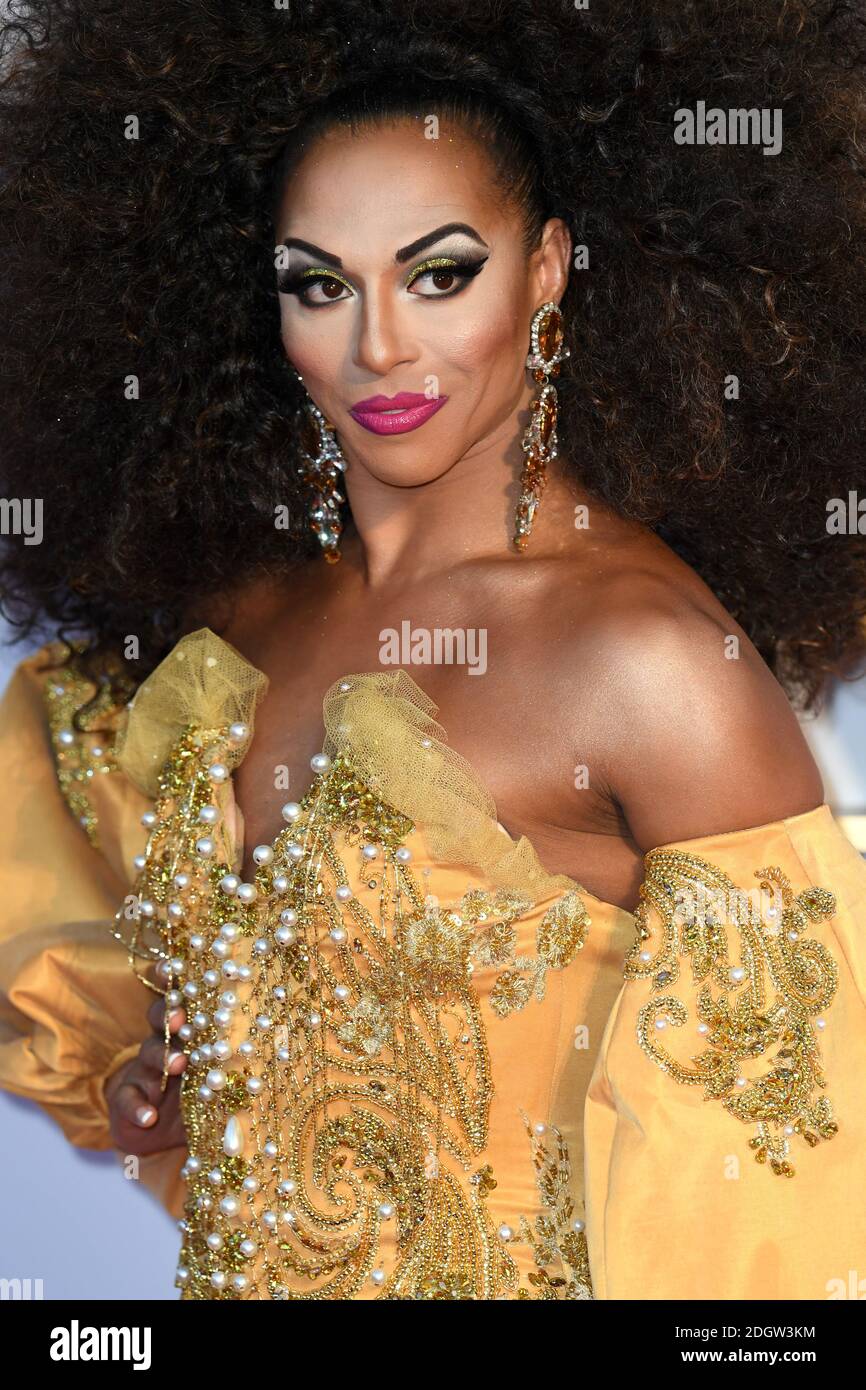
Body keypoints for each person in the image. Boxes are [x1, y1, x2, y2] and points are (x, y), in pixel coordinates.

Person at [1, 0, 865, 1301]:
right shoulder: (236, 614)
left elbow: (776, 1242)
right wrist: (162, 1090)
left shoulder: (649, 662)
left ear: (551, 266)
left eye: (440, 271)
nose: (379, 345)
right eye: (318, 282)